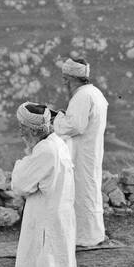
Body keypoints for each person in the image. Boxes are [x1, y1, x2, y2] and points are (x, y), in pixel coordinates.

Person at [5, 103, 82, 267]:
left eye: (23, 128)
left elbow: (20, 183)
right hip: (57, 221)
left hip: (44, 226)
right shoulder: (57, 144)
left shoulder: (45, 152)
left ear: (34, 130)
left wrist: (20, 164)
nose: (20, 133)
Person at [53, 54, 109, 247]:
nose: (64, 83)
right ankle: (93, 233)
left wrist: (56, 119)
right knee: (89, 191)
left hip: (83, 152)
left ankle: (85, 237)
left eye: (65, 79)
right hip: (90, 150)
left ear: (70, 78)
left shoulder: (82, 96)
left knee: (83, 192)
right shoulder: (94, 93)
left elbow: (76, 126)